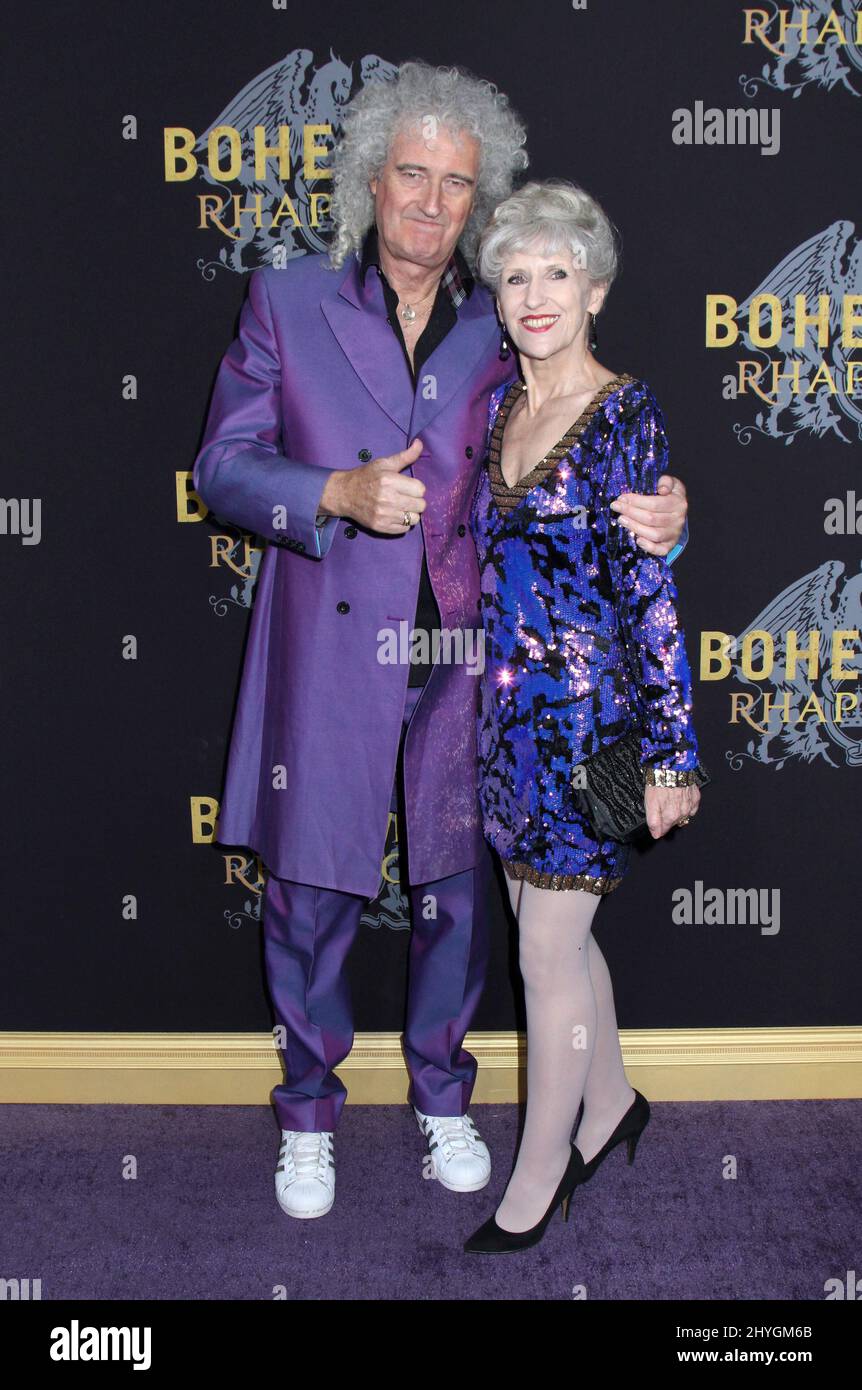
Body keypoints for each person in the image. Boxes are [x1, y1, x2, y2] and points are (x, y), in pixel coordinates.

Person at [192, 63, 690, 1222]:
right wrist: (334, 492)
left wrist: (665, 508)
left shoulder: (500, 314)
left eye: (455, 184)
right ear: (372, 179)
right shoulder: (288, 297)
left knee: (460, 895)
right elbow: (222, 465)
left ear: (481, 198)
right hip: (327, 648)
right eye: (410, 175)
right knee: (311, 888)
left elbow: (578, 438)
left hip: (473, 661)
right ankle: (307, 1113)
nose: (429, 203)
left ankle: (442, 1097)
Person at [465, 180, 702, 1253]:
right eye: (514, 274)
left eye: (555, 271)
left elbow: (650, 594)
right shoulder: (497, 407)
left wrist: (670, 754)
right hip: (504, 727)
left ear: (594, 287)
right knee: (545, 930)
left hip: (588, 731)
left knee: (544, 955)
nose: (534, 293)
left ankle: (540, 1171)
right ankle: (609, 1104)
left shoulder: (625, 412)